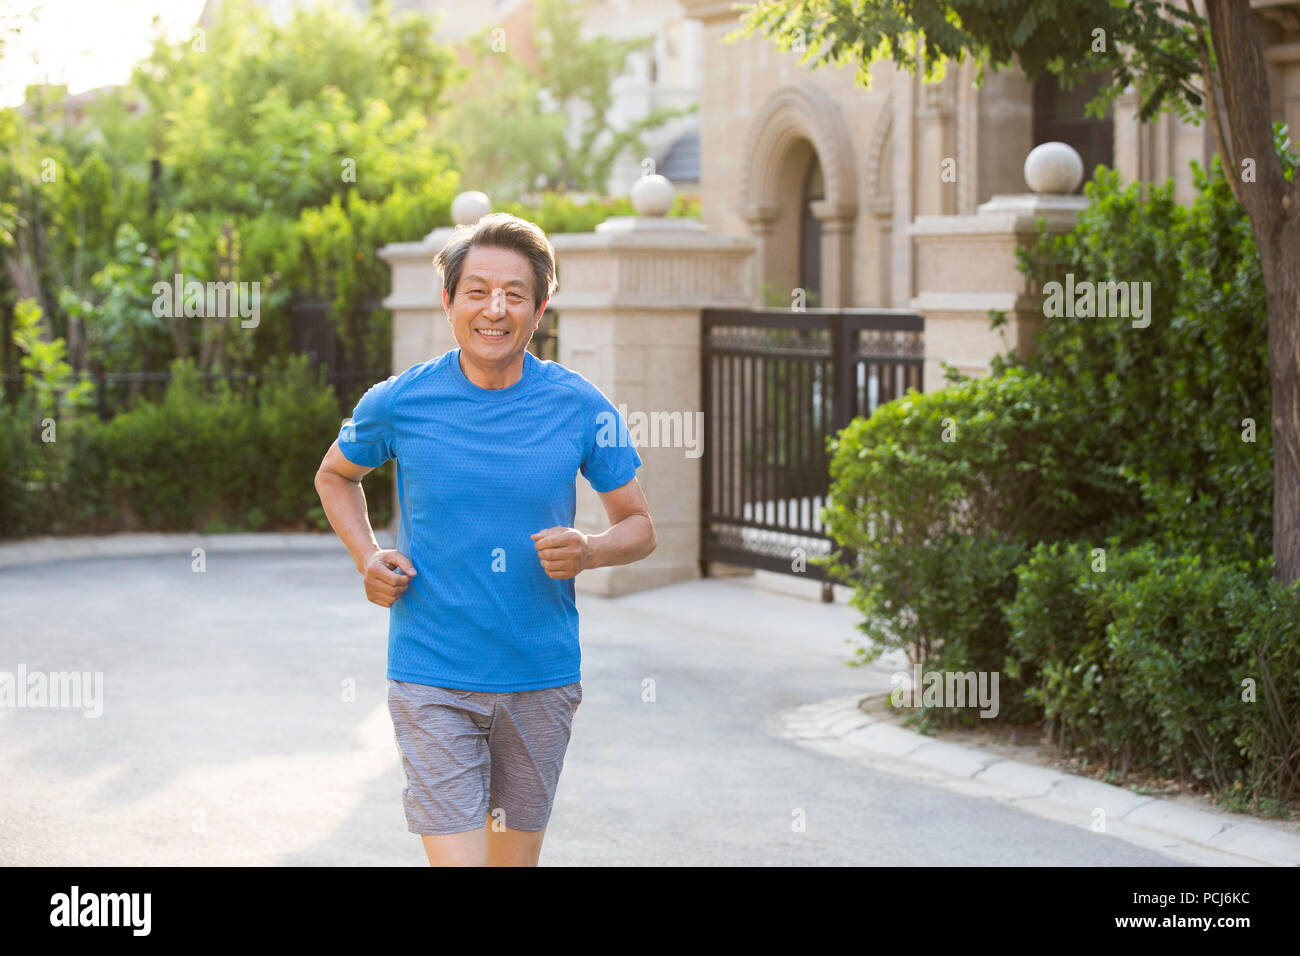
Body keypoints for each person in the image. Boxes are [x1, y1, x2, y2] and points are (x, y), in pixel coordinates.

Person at [313, 213, 656, 866]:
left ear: (540, 307)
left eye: (514, 294)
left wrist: (589, 549)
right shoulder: (400, 401)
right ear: (448, 303)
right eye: (476, 291)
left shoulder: (582, 406)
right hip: (431, 676)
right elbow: (336, 476)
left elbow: (640, 526)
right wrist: (367, 557)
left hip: (540, 678)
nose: (494, 309)